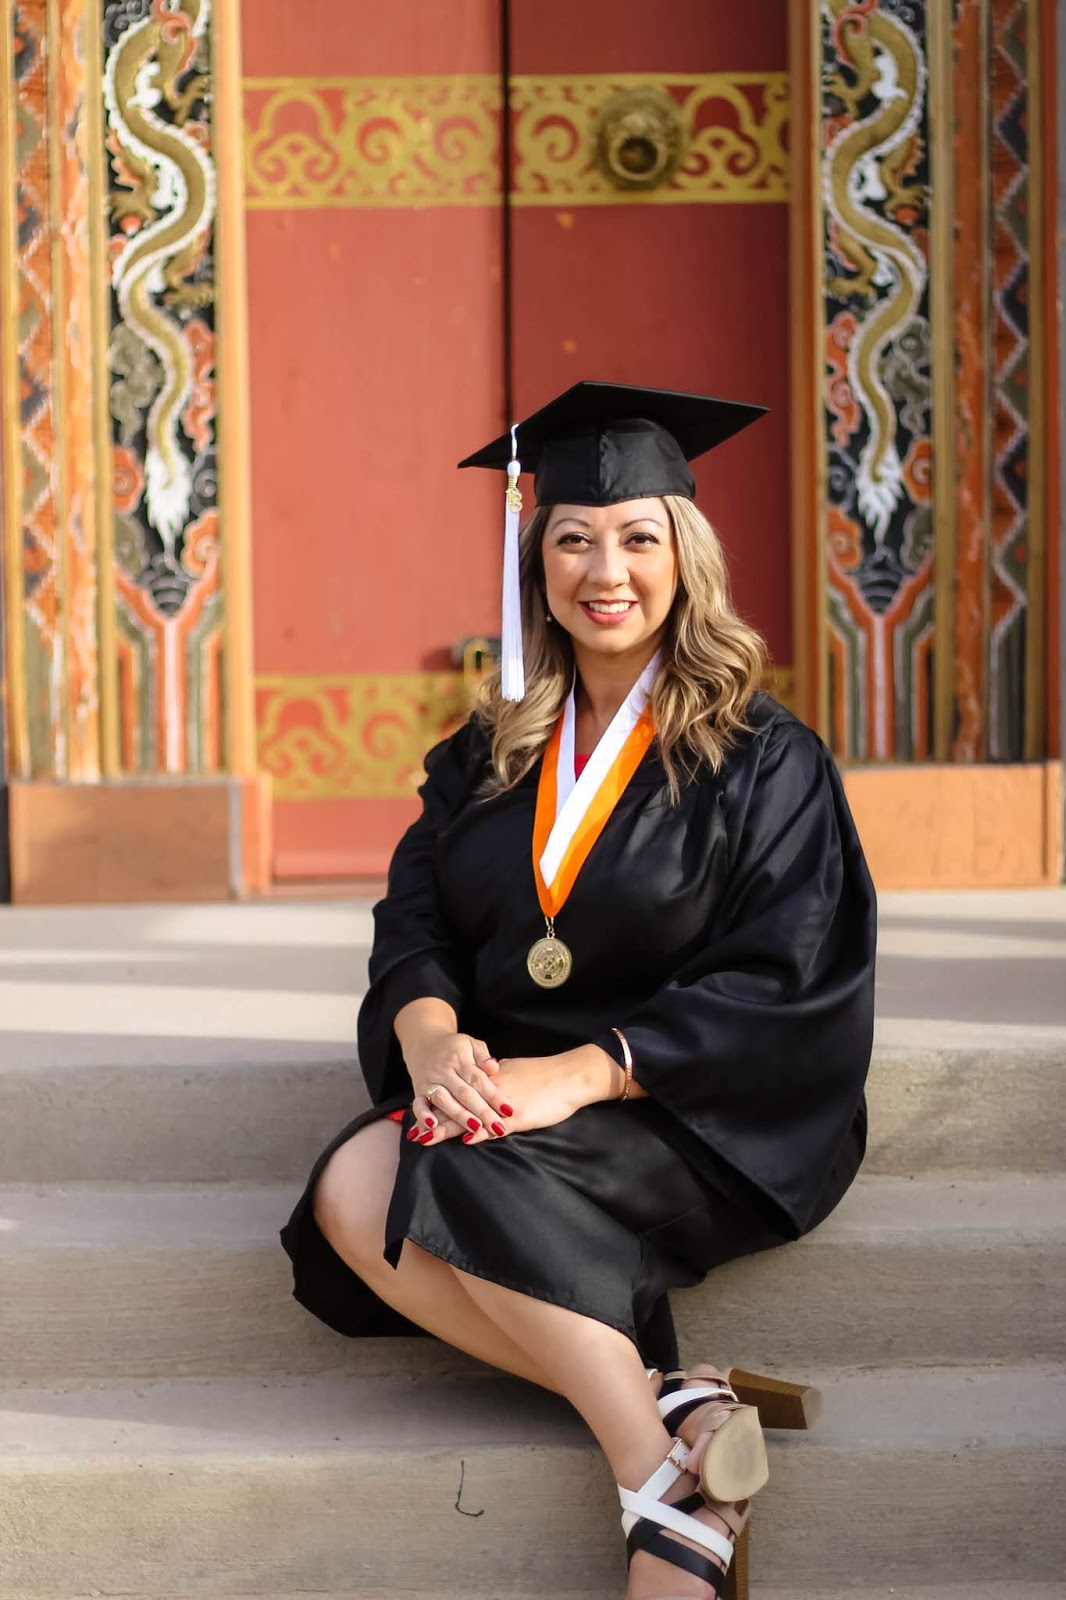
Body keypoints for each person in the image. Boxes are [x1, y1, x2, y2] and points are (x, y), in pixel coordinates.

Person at [280, 381, 876, 1600]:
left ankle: (657, 1496)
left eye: (638, 537)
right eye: (571, 537)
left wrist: (585, 1071)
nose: (605, 569)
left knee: (445, 1163)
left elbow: (789, 970)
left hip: (697, 1105)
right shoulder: (486, 754)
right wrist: (433, 1031)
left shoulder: (763, 758)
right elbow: (416, 920)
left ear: (685, 558)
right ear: (535, 560)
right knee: (352, 1185)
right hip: (517, 1094)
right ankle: (677, 1426)